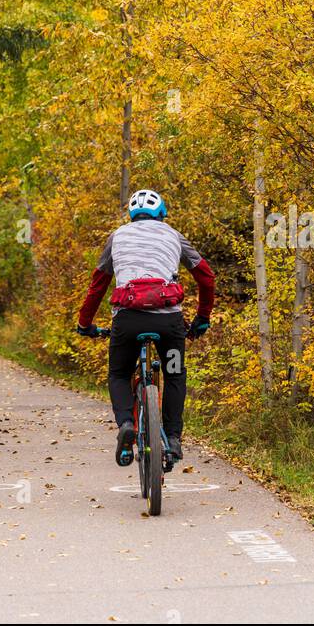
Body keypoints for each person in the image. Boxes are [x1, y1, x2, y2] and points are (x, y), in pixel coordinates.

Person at [76, 188, 215, 471]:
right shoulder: (174, 236)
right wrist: (202, 317)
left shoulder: (117, 236)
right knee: (174, 373)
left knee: (118, 373)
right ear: (161, 214)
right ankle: (174, 439)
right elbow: (206, 277)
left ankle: (127, 424)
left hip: (128, 322)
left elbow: (98, 285)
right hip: (169, 326)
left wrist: (85, 323)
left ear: (131, 215)